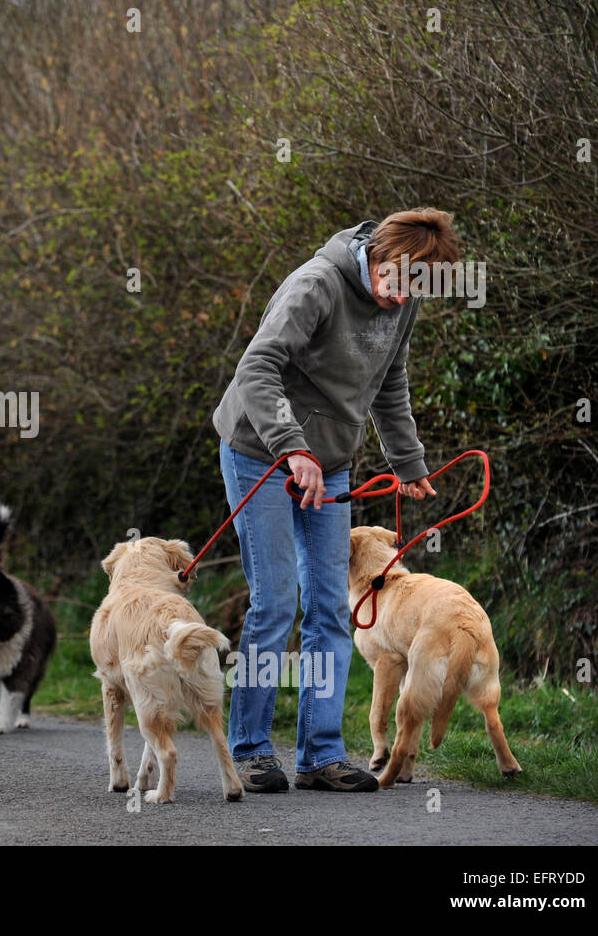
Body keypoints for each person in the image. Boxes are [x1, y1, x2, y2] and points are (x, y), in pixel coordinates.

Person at [211, 209, 458, 792]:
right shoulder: (315, 285)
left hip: (332, 462)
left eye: (417, 290)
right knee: (276, 600)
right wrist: (292, 448)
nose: (403, 300)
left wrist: (407, 463)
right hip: (260, 451)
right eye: (399, 283)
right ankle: (248, 748)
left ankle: (320, 755)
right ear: (380, 256)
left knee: (330, 604)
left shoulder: (404, 299)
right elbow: (256, 368)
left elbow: (389, 384)